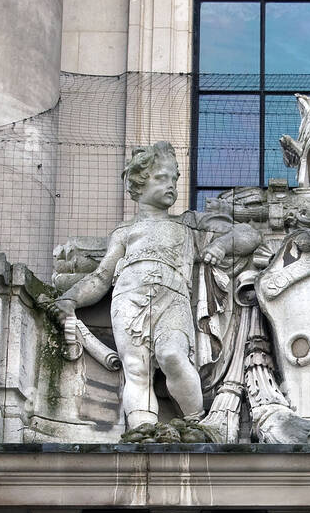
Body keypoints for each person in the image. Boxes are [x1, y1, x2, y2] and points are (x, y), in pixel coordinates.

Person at [48, 142, 247, 429]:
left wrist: (220, 245)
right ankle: (143, 432)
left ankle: (197, 425)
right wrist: (71, 298)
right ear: (139, 183)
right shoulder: (125, 232)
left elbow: (247, 234)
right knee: (136, 369)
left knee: (172, 355)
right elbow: (102, 278)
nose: (172, 186)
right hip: (129, 300)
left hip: (173, 299)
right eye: (162, 178)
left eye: (174, 180)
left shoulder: (188, 225)